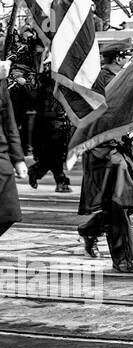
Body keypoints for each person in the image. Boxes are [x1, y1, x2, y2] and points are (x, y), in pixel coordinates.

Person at [77, 45, 133, 273]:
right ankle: (123, 258)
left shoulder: (118, 79)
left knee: (124, 204)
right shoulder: (104, 82)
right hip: (105, 149)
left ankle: (90, 229)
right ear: (118, 58)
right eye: (127, 55)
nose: (128, 59)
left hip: (120, 147)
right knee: (120, 204)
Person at [28, 66, 73, 192]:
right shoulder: (50, 83)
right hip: (52, 124)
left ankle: (37, 172)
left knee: (53, 156)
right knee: (55, 155)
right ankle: (60, 181)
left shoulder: (45, 81)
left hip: (53, 122)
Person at [0, 68, 28, 237]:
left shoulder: (0, 77)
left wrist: (18, 159)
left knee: (9, 213)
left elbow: (9, 120)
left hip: (1, 155)